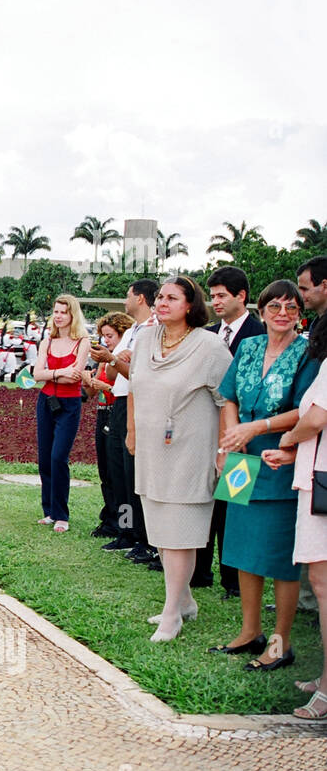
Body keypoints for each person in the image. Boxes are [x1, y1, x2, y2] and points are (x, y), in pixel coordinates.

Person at [205, 281, 312, 670]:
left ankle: (281, 642)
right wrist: (231, 439)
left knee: (281, 557)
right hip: (241, 462)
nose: (282, 313)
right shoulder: (248, 347)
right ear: (262, 309)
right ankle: (250, 632)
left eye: (291, 307)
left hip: (279, 458)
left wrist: (255, 429)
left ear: (301, 313)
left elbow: (306, 409)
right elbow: (229, 396)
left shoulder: (307, 353)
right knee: (242, 551)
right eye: (274, 306)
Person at [127, 275, 232, 642]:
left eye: (172, 298)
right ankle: (184, 599)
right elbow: (135, 386)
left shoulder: (210, 347)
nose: (161, 303)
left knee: (179, 533)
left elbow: (227, 400)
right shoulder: (145, 339)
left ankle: (172, 614)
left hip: (190, 450)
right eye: (159, 297)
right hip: (153, 450)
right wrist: (133, 431)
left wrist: (224, 450)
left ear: (191, 305)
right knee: (159, 527)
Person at [262, 318, 327, 717]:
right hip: (316, 473)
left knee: (323, 584)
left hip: (322, 488)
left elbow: (317, 419)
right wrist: (293, 452)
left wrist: (286, 439)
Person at [194, 266, 266, 596]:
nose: (216, 301)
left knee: (234, 504)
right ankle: (199, 570)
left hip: (241, 435)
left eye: (223, 295)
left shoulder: (259, 335)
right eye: (213, 295)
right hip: (205, 431)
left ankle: (233, 579)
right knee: (204, 500)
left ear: (242, 297)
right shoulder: (207, 334)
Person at [92, 279, 158, 562]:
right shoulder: (133, 330)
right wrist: (109, 360)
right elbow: (113, 372)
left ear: (141, 298)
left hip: (136, 402)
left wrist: (113, 359)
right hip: (120, 402)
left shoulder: (154, 328)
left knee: (133, 477)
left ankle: (144, 537)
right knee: (120, 475)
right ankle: (127, 530)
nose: (125, 300)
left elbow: (139, 373)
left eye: (128, 295)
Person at [31, 294, 91, 534]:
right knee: (45, 458)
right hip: (46, 401)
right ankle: (49, 511)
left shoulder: (83, 341)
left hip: (69, 403)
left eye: (63, 312)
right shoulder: (47, 342)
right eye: (55, 311)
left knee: (58, 457)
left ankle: (61, 514)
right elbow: (36, 374)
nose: (58, 316)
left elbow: (75, 376)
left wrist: (51, 372)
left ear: (72, 315)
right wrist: (59, 372)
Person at [83, 312, 133, 540]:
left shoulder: (122, 358)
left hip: (119, 414)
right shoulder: (104, 360)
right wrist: (89, 380)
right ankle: (111, 518)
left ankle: (126, 525)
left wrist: (105, 386)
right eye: (103, 336)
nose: (106, 341)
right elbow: (93, 391)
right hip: (103, 414)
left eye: (110, 336)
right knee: (106, 472)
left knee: (120, 476)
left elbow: (125, 388)